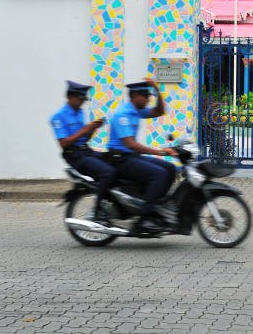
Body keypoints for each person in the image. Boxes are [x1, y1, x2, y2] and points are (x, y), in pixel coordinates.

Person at [107, 78, 177, 233]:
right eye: (146, 95)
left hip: (131, 157)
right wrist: (160, 152)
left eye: (149, 95)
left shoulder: (136, 111)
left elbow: (160, 111)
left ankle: (154, 204)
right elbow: (131, 144)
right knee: (159, 174)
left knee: (171, 168)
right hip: (120, 159)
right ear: (135, 96)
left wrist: (157, 90)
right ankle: (144, 219)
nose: (148, 98)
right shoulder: (122, 115)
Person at [50, 80, 116, 224]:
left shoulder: (79, 112)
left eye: (83, 100)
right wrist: (84, 130)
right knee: (107, 172)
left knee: (116, 160)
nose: (82, 102)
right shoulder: (58, 117)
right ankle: (97, 210)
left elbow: (84, 139)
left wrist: (93, 129)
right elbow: (64, 143)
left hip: (86, 151)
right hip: (75, 157)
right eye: (80, 99)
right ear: (70, 97)